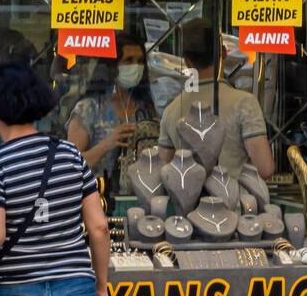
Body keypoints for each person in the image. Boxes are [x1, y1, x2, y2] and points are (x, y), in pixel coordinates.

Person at [0, 61, 111, 296]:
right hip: (76, 288)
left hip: (16, 291)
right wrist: (101, 286)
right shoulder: (70, 154)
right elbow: (99, 227)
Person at [157, 19, 274, 179]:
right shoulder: (244, 103)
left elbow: (164, 172)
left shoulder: (171, 110)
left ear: (186, 60)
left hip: (187, 203)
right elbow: (265, 169)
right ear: (224, 52)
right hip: (234, 201)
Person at [67, 35, 159, 194]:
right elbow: (70, 165)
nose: (136, 66)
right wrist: (108, 144)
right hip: (97, 198)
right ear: (112, 66)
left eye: (140, 61)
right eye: (129, 60)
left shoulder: (146, 109)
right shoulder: (88, 109)